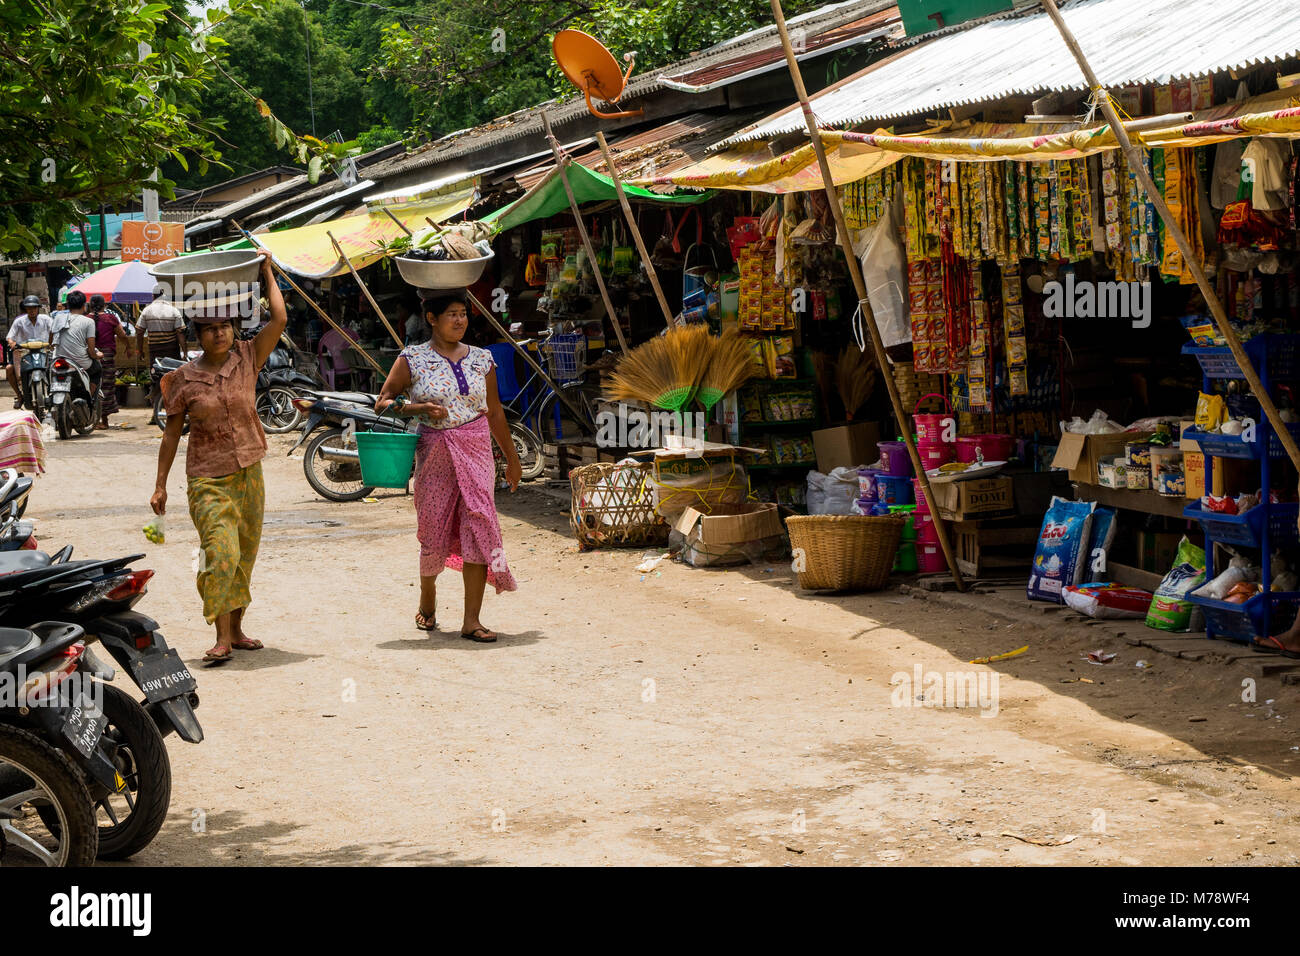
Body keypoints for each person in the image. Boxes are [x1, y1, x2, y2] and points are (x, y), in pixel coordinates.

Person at [151, 250, 288, 664]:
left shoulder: (248, 358)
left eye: (224, 327)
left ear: (233, 329)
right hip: (208, 479)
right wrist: (159, 485)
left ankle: (239, 630)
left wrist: (266, 271)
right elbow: (171, 435)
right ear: (197, 336)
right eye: (209, 330)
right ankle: (221, 636)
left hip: (250, 471)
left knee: (244, 554)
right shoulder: (182, 380)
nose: (219, 335)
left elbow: (278, 320)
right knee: (220, 552)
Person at [375, 292, 521, 642]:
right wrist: (418, 408)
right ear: (431, 319)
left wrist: (512, 460)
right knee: (433, 530)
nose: (459, 321)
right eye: (451, 315)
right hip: (435, 453)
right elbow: (383, 402)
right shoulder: (412, 358)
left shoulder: (482, 359)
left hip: (477, 449)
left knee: (479, 524)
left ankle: (472, 620)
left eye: (463, 315)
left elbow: (495, 411)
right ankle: (428, 597)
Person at [136, 289, 186, 421]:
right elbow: (181, 333)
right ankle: (173, 412)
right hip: (172, 352)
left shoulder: (147, 310)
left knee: (156, 380)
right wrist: (185, 353)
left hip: (154, 352)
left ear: (153, 296)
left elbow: (139, 331)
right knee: (173, 381)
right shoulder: (174, 310)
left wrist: (139, 350)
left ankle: (155, 414)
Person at [52, 291, 104, 405]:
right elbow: (91, 350)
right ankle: (89, 398)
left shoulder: (58, 318)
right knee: (97, 369)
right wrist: (97, 355)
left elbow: (51, 341)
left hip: (59, 360)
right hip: (81, 362)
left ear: (68, 305)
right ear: (84, 305)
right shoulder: (89, 321)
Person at [88, 294, 130, 429]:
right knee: (106, 386)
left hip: (89, 355)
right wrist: (128, 347)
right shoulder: (110, 318)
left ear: (90, 306)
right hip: (107, 356)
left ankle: (90, 418)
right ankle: (104, 420)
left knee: (90, 385)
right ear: (104, 305)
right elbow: (122, 335)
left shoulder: (85, 319)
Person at [6, 295, 54, 409]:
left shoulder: (46, 319)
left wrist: (52, 342)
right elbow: (10, 337)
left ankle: (55, 393)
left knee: (57, 369)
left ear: (38, 308)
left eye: (34, 308)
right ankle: (20, 396)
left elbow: (54, 330)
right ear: (25, 309)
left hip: (44, 350)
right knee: (9, 369)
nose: (31, 310)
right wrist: (12, 343)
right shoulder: (19, 321)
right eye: (29, 308)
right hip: (24, 352)